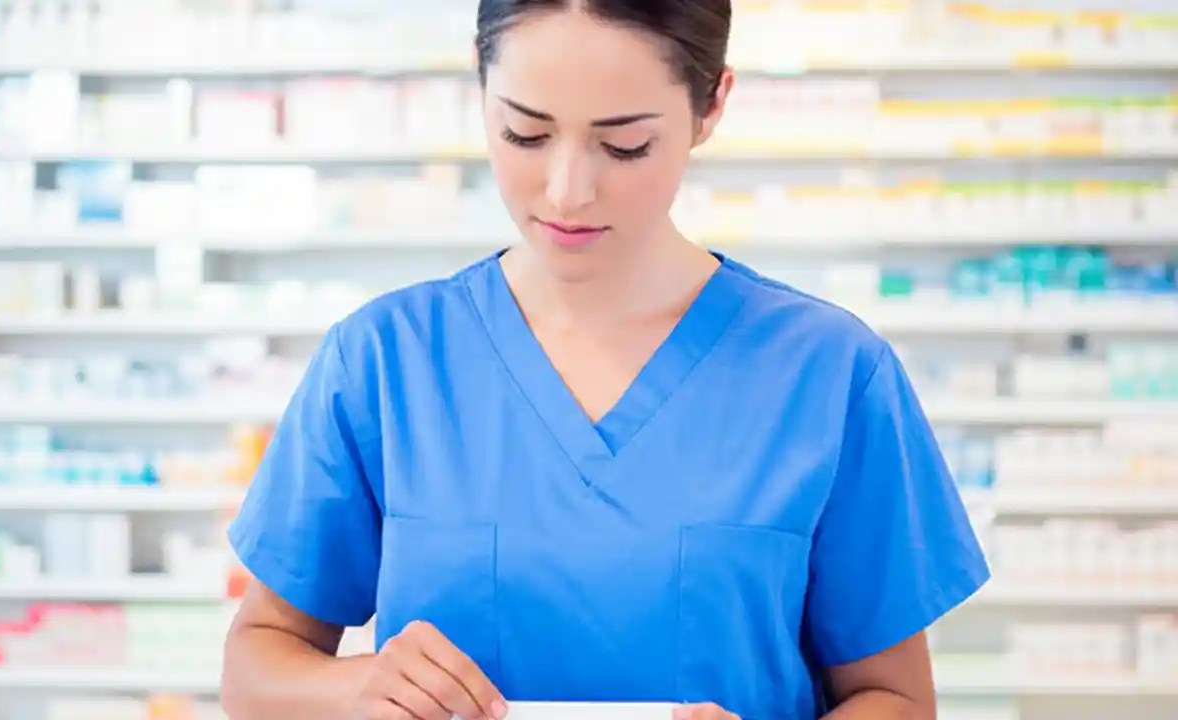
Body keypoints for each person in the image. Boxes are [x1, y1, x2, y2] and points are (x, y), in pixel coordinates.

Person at [219, 1, 990, 719]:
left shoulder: (828, 372)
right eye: (525, 134)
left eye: (624, 145)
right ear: (480, 85)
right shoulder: (386, 362)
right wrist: (351, 688)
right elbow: (256, 665)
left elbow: (894, 697)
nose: (567, 192)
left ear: (711, 106)